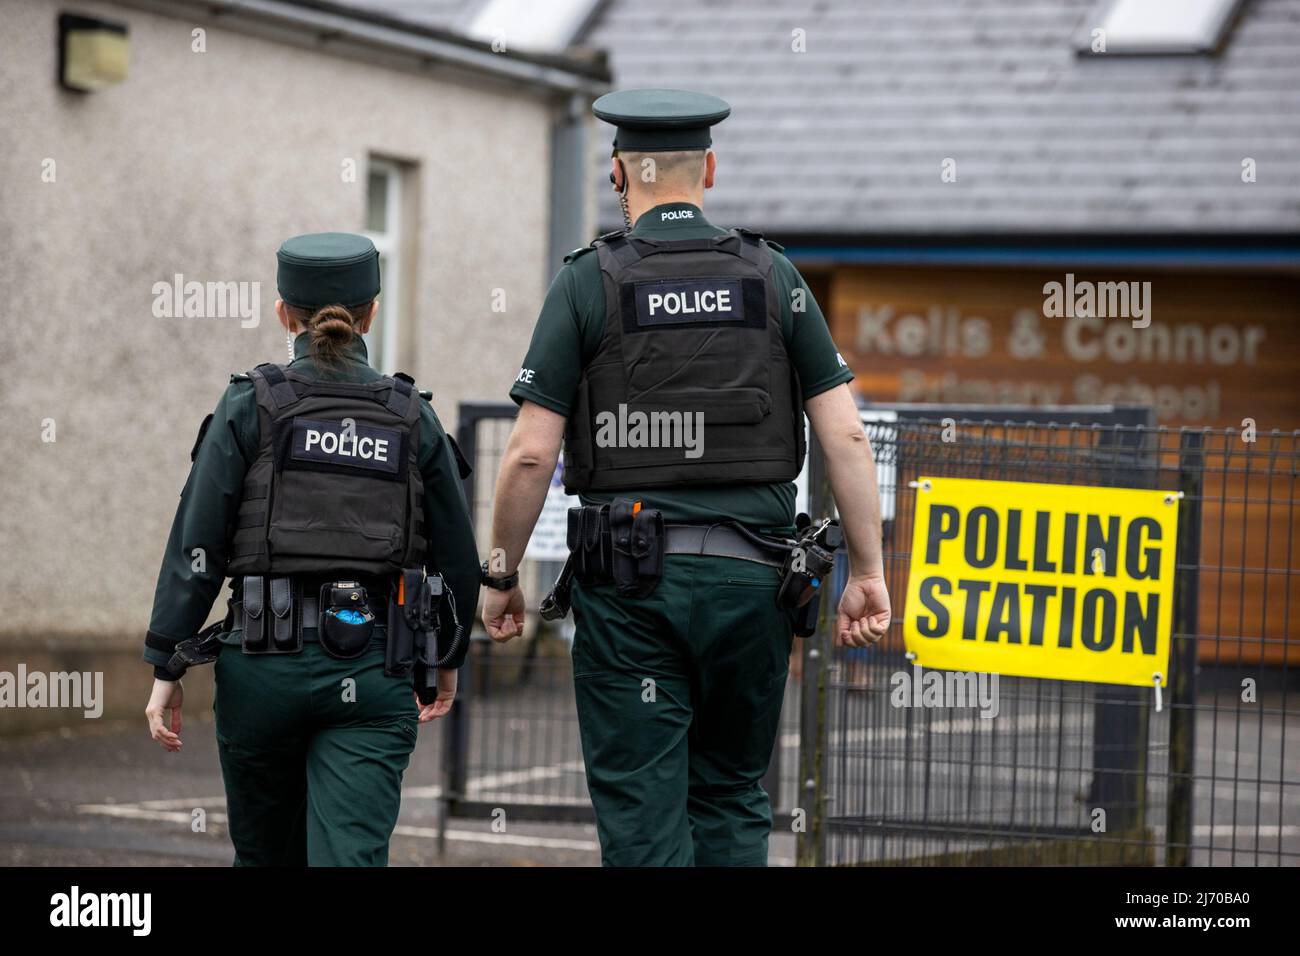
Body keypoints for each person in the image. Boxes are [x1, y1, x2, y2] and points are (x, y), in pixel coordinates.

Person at [480, 89, 891, 866]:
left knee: (641, 804)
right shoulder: (774, 277)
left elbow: (531, 453)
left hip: (630, 590)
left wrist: (500, 574)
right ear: (708, 168)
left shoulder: (585, 283)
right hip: (755, 586)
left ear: (618, 175)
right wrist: (866, 571)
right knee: (734, 793)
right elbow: (843, 432)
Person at [142, 232, 480, 867]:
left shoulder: (251, 403)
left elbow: (197, 544)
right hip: (375, 668)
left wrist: (168, 663)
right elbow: (456, 556)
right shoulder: (411, 415)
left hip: (263, 668)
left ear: (282, 313)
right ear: (370, 314)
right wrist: (447, 660)